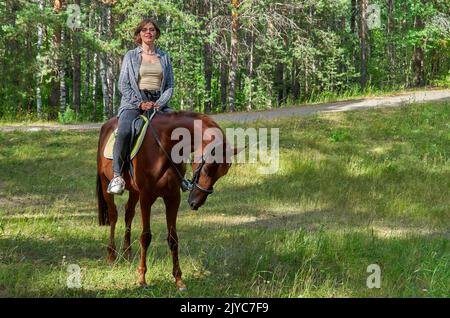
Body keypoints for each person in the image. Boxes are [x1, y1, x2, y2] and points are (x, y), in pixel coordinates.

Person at [107, 18, 174, 195]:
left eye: (152, 29)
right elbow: (123, 84)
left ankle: (179, 176)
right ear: (139, 34)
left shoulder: (164, 57)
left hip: (158, 103)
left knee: (178, 128)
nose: (148, 32)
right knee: (124, 132)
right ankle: (117, 175)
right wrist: (139, 103)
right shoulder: (131, 56)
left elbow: (169, 86)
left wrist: (160, 103)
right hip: (133, 102)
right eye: (144, 30)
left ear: (156, 33)